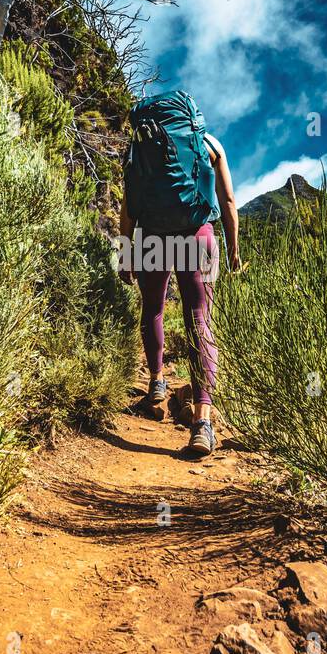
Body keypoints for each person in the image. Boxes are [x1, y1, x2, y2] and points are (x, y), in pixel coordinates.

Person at [118, 91, 240, 455]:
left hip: (153, 235)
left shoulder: (138, 147)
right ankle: (202, 421)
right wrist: (233, 250)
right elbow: (228, 201)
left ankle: (156, 383)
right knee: (198, 318)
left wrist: (126, 256)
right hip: (197, 235)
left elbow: (127, 211)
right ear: (192, 116)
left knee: (153, 309)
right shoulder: (209, 143)